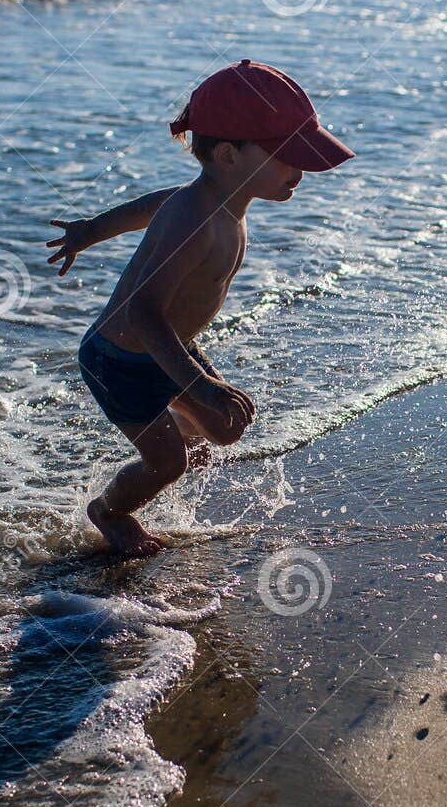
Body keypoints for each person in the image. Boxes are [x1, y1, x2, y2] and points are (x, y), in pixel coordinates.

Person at [46, 59, 353, 556]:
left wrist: (94, 229)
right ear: (229, 154)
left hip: (171, 346)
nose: (298, 171)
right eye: (286, 156)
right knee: (169, 464)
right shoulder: (197, 216)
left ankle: (172, 428)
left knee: (224, 430)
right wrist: (201, 384)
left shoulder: (219, 200)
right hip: (120, 361)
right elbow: (144, 314)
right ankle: (110, 512)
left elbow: (148, 207)